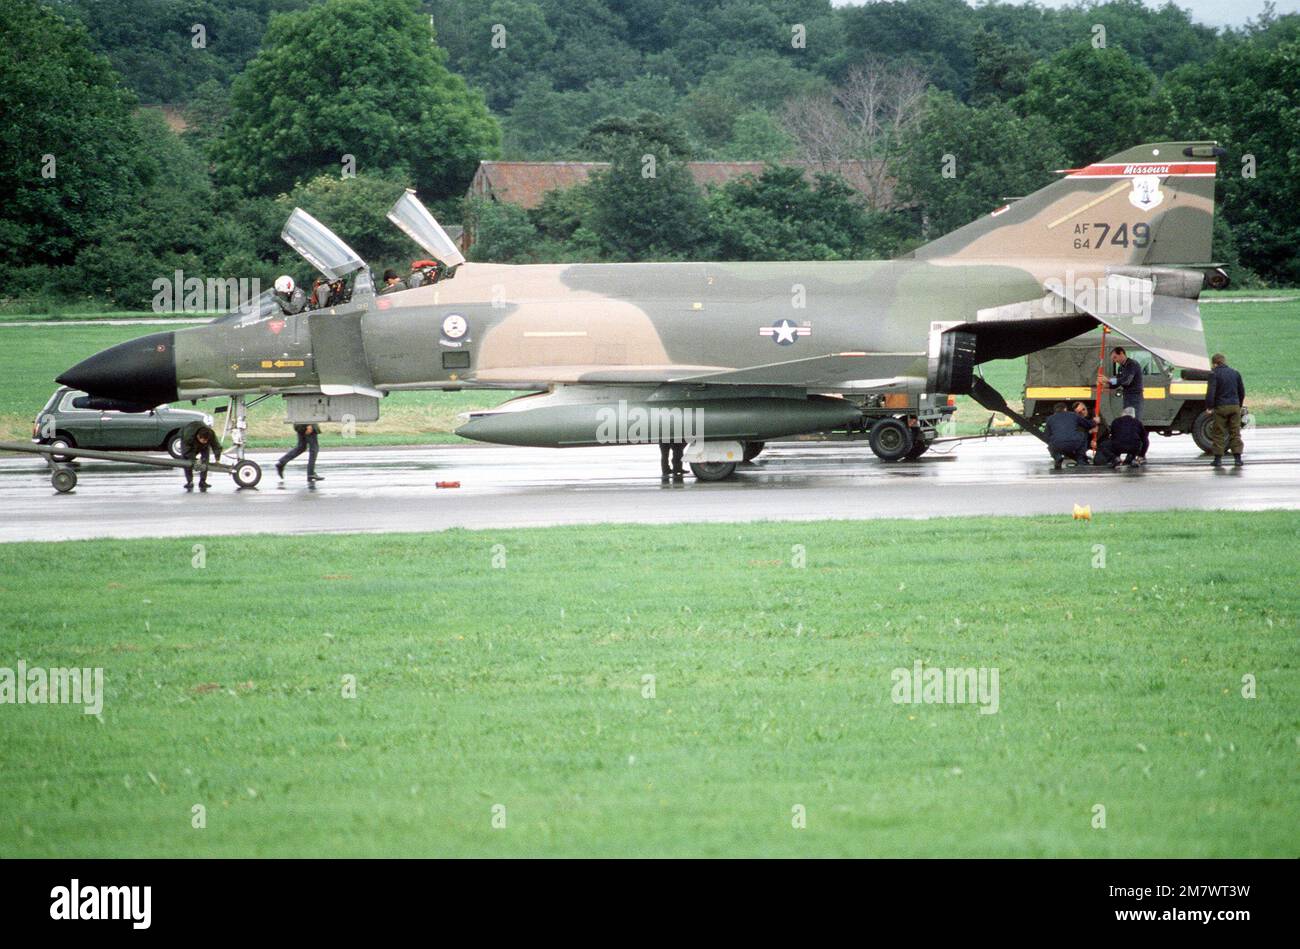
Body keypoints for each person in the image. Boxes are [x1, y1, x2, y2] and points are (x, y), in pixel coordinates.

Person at [1205, 352, 1246, 467]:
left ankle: (1218, 460)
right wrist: (1239, 405)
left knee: (1218, 433)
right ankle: (1238, 459)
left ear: (1214, 363)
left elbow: (1211, 392)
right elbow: (1241, 391)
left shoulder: (1214, 374)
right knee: (1235, 432)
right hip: (1234, 406)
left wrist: (1209, 407)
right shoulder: (1235, 373)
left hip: (1221, 407)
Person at [1044, 402, 1096, 470]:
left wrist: (1053, 444)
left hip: (1057, 444)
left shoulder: (1050, 419)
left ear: (1055, 411)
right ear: (1065, 409)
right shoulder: (1073, 415)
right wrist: (1095, 421)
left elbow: (1046, 436)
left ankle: (1057, 457)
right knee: (1083, 435)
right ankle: (1081, 460)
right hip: (1074, 443)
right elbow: (1088, 424)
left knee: (1051, 445)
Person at [179, 421, 221, 492]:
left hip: (203, 446)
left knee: (205, 461)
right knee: (187, 462)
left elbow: (216, 446)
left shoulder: (210, 434)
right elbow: (186, 452)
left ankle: (202, 481)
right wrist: (195, 460)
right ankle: (190, 481)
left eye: (206, 440)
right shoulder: (188, 436)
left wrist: (217, 459)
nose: (205, 441)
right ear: (198, 436)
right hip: (190, 444)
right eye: (203, 440)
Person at [1109, 346, 1144, 421]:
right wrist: (1104, 384)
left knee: (1134, 419)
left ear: (1121, 353)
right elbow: (1117, 382)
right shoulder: (1121, 368)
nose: (1115, 361)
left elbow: (1126, 381)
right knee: (1127, 419)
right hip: (1127, 396)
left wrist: (1109, 380)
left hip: (1135, 397)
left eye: (1115, 357)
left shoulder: (1132, 364)